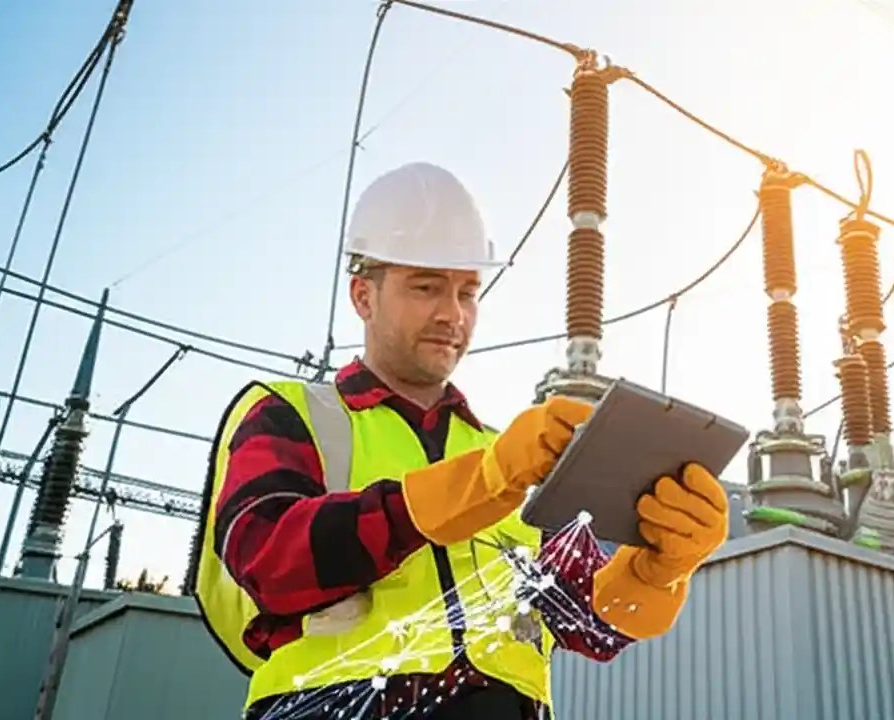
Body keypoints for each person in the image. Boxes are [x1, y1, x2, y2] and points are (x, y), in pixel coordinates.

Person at [190, 161, 731, 720]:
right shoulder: (292, 414)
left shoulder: (509, 455)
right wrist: (473, 486)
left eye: (468, 292)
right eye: (426, 287)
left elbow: (585, 621)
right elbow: (266, 560)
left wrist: (657, 570)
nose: (452, 314)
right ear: (363, 296)